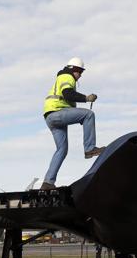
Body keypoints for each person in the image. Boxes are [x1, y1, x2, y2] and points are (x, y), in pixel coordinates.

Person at [40, 57, 105, 190]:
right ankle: (90, 149)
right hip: (57, 113)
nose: (80, 76)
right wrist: (86, 98)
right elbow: (68, 94)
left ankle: (47, 183)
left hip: (51, 117)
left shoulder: (62, 77)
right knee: (88, 114)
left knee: (61, 150)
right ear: (74, 70)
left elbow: (67, 98)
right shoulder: (66, 76)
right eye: (80, 72)